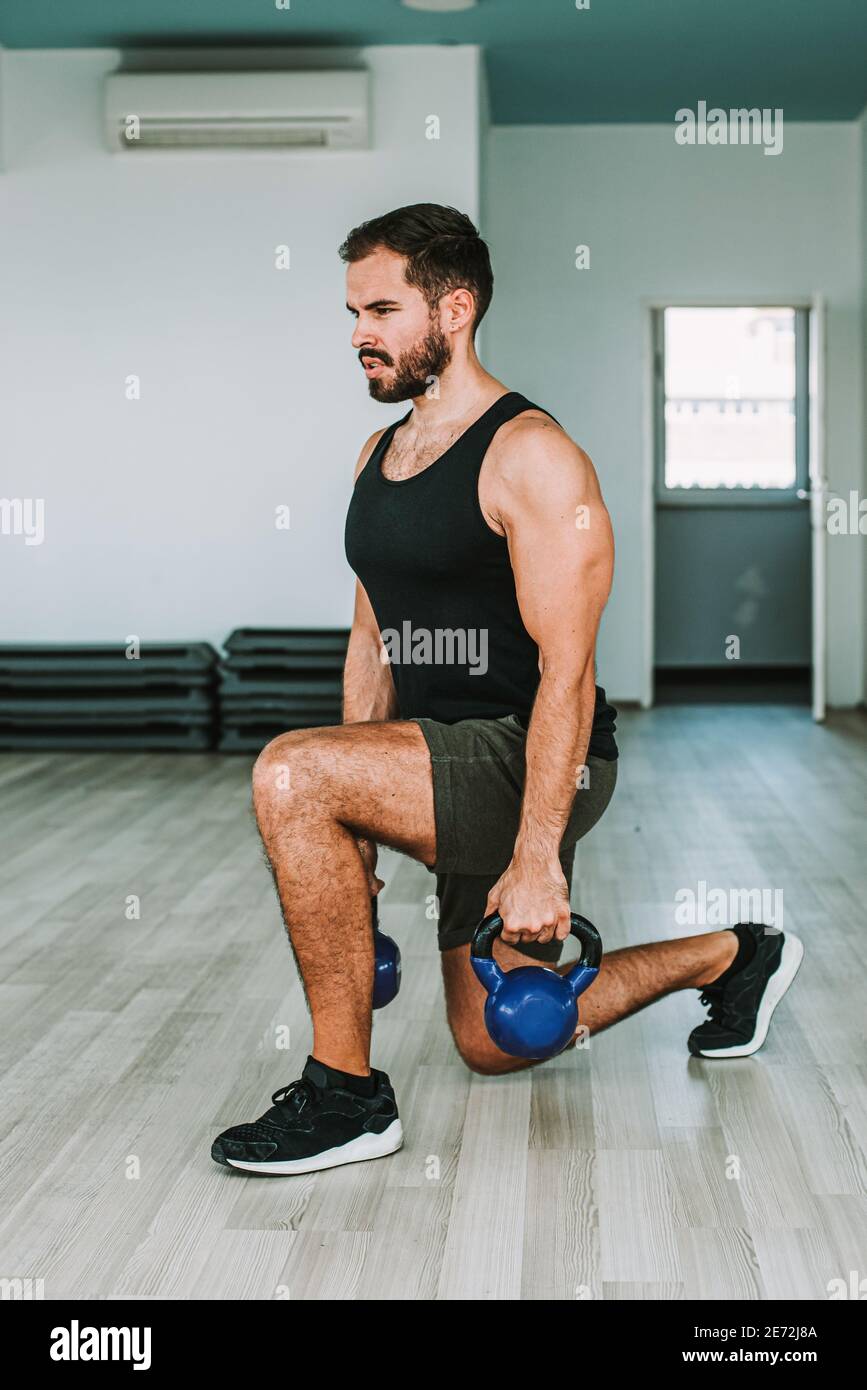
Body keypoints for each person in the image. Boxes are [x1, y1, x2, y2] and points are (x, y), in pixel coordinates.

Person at [211, 204, 803, 1177]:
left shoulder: (531, 455)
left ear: (456, 306)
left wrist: (538, 856)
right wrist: (355, 828)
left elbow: (570, 667)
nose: (359, 333)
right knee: (495, 1038)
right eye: (353, 312)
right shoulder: (380, 458)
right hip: (437, 753)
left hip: (533, 752)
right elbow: (373, 638)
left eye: (382, 309)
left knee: (290, 774)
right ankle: (733, 955)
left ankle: (346, 1097)